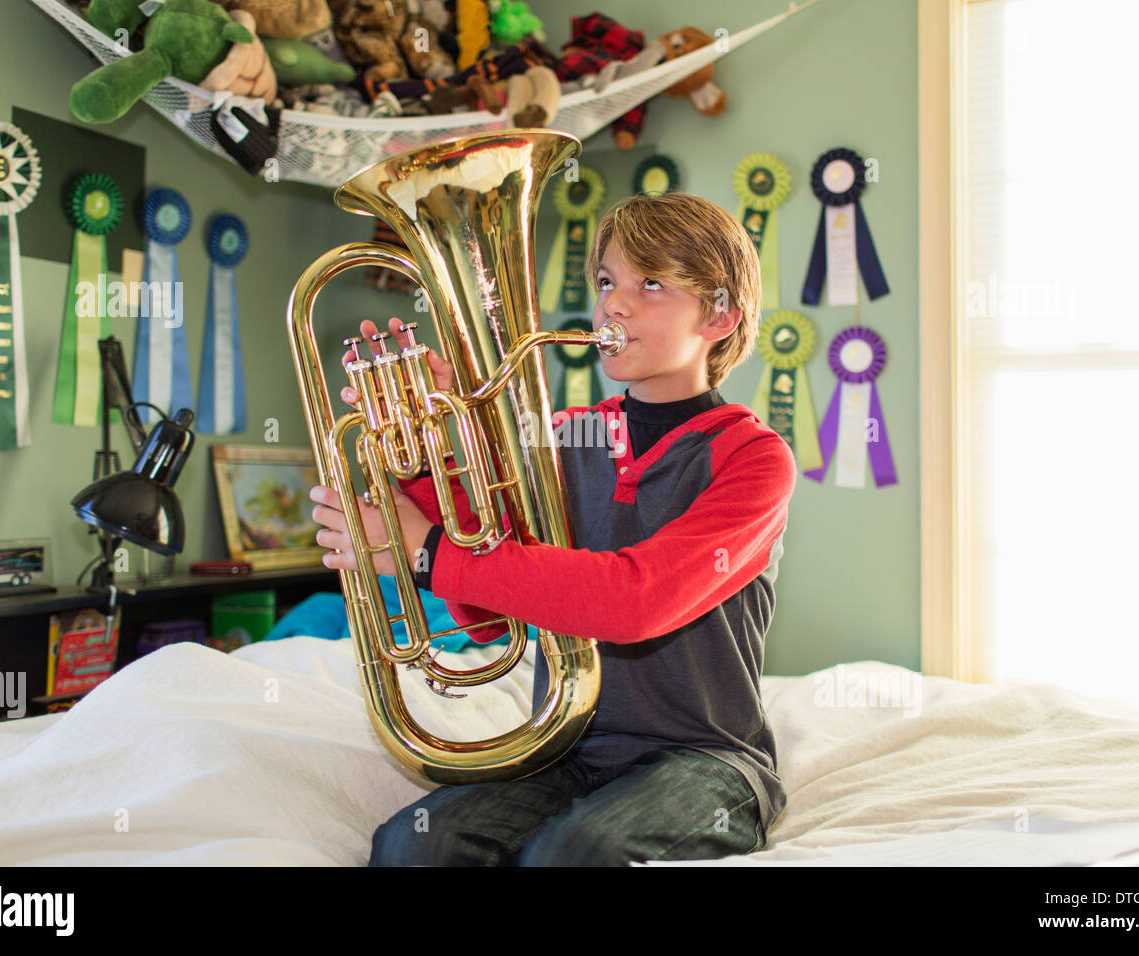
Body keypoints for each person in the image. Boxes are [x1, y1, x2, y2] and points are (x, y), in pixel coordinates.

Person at [309, 192, 797, 866]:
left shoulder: (754, 456)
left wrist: (427, 552)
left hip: (708, 761)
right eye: (606, 282)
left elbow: (634, 600)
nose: (612, 306)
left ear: (720, 315)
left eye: (650, 283)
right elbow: (487, 617)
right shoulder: (565, 440)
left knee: (574, 852)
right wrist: (421, 459)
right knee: (409, 846)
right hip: (565, 746)